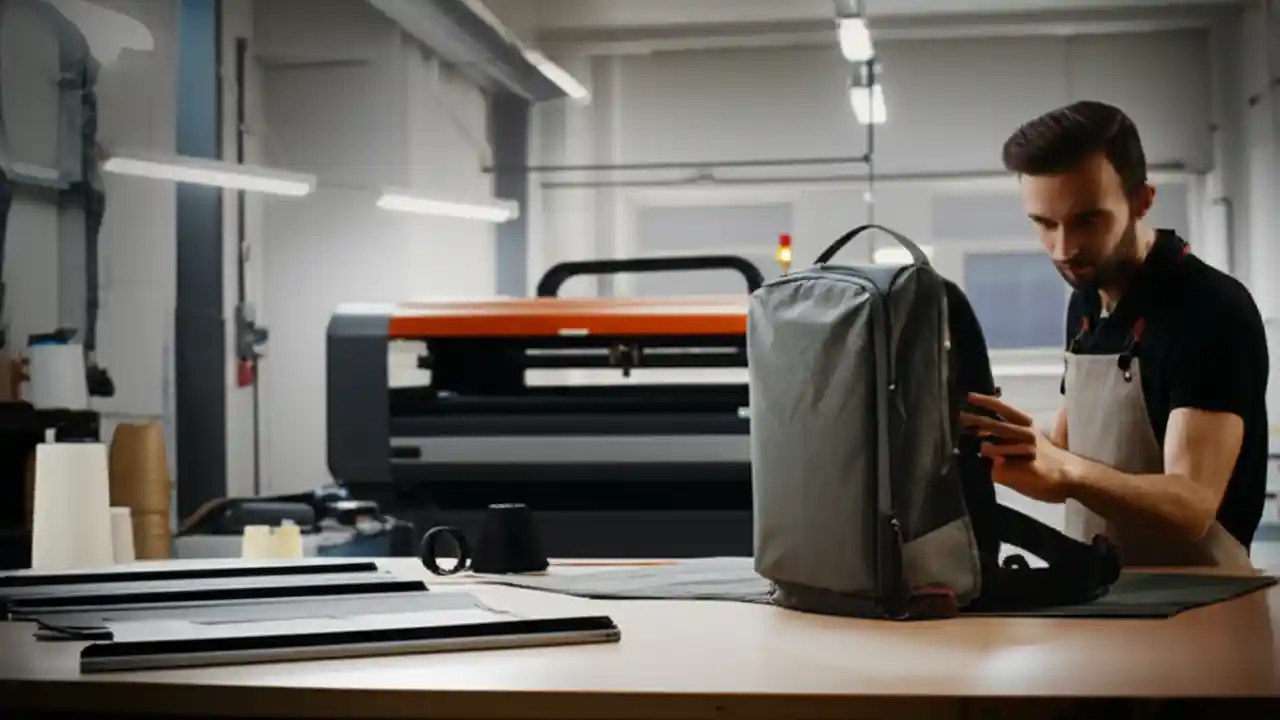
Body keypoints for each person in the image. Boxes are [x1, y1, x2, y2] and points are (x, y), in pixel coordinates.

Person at [961, 100, 1269, 568]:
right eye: (1044, 224)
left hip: (1204, 604)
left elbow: (1191, 507)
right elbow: (1064, 459)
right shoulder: (1085, 300)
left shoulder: (1209, 308)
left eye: (1088, 219)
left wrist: (1064, 468)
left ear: (1142, 200)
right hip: (1102, 592)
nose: (1063, 248)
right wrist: (984, 447)